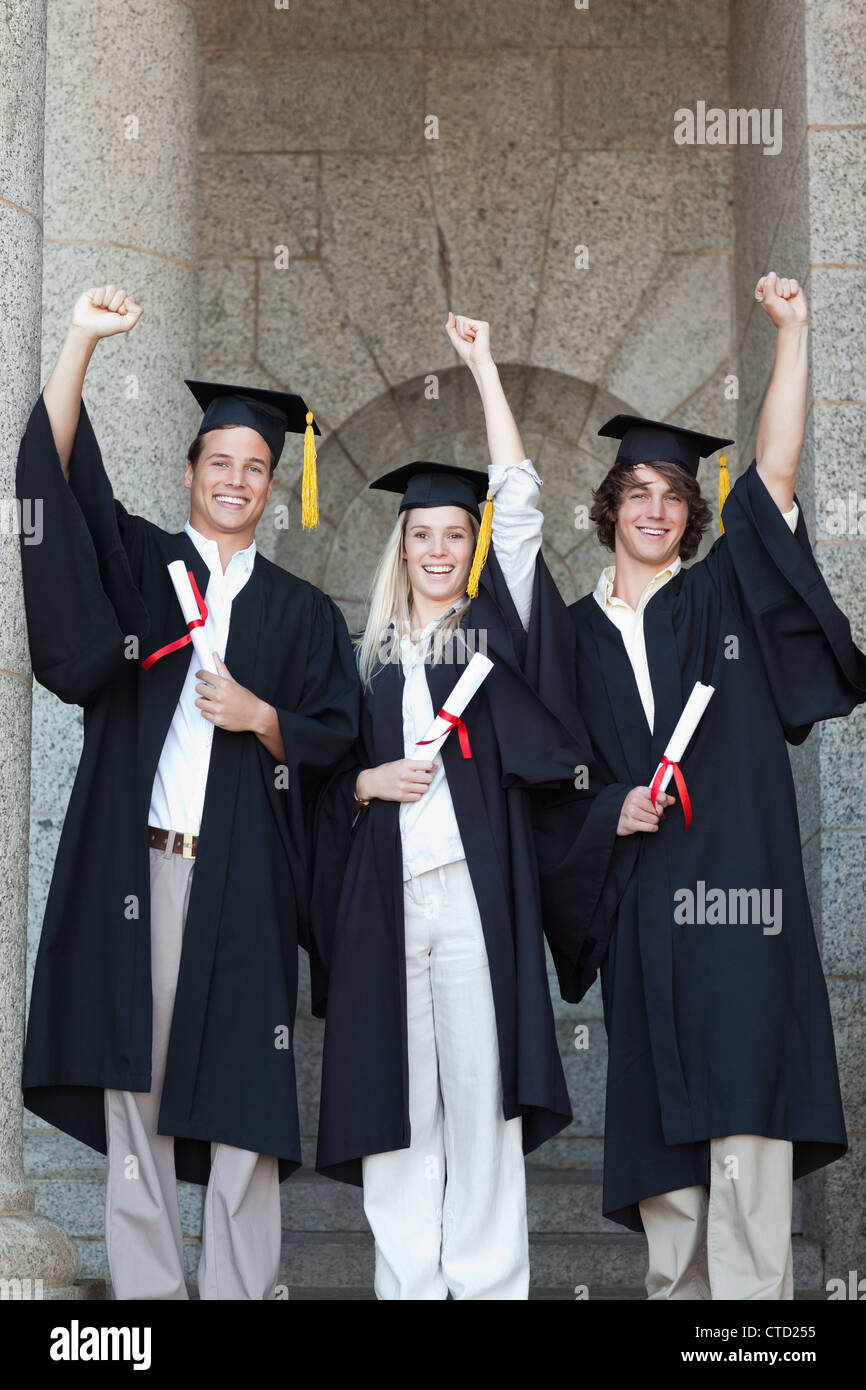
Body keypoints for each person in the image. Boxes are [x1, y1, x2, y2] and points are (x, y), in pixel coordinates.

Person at [17, 285, 360, 1300]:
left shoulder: (300, 614)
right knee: (138, 1087)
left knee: (249, 1100)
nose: (237, 481)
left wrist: (262, 717)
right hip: (146, 869)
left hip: (248, 880)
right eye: (221, 463)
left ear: (269, 488)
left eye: (256, 468)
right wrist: (82, 337)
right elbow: (58, 477)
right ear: (191, 473)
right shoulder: (145, 568)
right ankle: (152, 1300)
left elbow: (337, 737)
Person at [535, 272, 866, 1300]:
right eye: (636, 491)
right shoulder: (572, 634)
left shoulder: (719, 589)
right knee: (662, 1125)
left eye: (672, 495)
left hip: (737, 892)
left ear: (689, 514)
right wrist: (607, 810)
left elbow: (768, 473)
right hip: (641, 900)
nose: (654, 508)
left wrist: (792, 334)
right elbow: (552, 777)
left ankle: (751, 1320)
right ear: (609, 506)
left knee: (743, 1107)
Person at [309, 313, 591, 1300]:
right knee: (397, 1096)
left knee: (478, 1100)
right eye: (421, 534)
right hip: (389, 899)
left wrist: (480, 369)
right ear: (400, 548)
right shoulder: (368, 664)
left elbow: (519, 507)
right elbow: (321, 781)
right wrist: (360, 781)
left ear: (469, 548)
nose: (437, 548)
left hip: (473, 899)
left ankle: (486, 1285)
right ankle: (408, 1287)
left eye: (451, 534)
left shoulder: (494, 643)